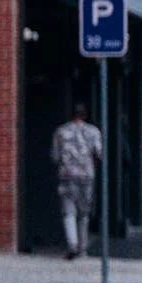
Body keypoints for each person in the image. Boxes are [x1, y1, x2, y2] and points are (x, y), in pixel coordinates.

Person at [51, 103, 103, 260]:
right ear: (85, 115)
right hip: (86, 176)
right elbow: (99, 154)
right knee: (84, 213)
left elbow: (55, 156)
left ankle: (72, 244)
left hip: (67, 175)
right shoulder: (93, 132)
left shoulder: (61, 132)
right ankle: (83, 248)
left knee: (69, 212)